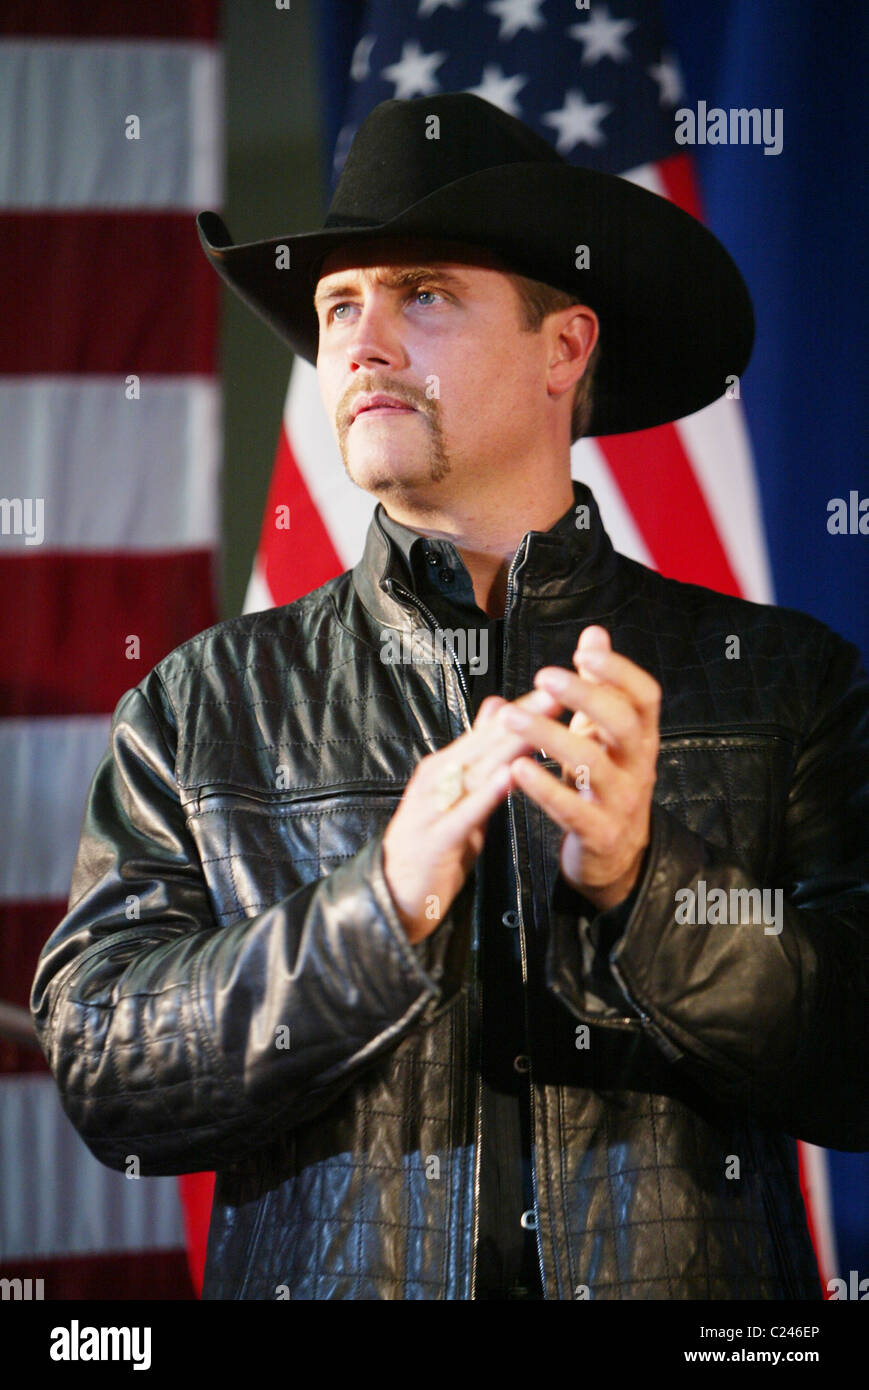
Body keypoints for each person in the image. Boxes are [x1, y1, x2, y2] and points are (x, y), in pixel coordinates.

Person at [31, 93, 868, 1301]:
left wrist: (648, 889)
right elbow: (106, 1073)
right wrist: (374, 912)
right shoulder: (199, 702)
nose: (358, 343)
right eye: (335, 306)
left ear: (563, 347)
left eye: (419, 293)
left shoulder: (787, 680)